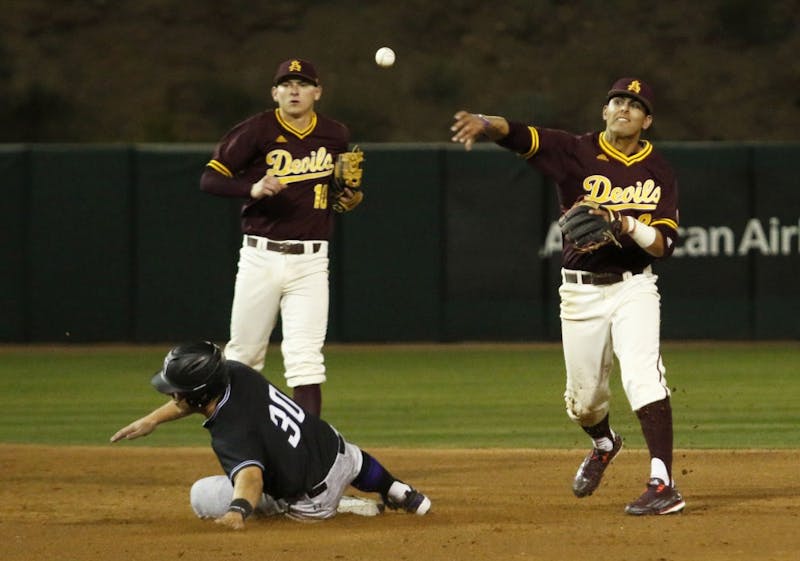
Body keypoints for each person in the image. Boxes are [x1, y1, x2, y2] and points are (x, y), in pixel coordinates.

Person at [450, 78, 684, 516]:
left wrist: (625, 223)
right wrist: (484, 122)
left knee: (643, 375)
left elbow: (664, 246)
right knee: (584, 403)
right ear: (604, 111)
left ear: (647, 121)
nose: (624, 109)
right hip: (580, 292)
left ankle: (662, 482)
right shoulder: (574, 150)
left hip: (634, 284)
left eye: (635, 106)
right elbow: (519, 134)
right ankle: (604, 443)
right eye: (617, 101)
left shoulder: (659, 171)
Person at [110, 341, 431, 530]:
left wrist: (238, 512)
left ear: (196, 395)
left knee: (202, 495)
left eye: (176, 392)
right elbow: (196, 401)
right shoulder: (236, 372)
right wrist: (152, 420)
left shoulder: (230, 432)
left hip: (311, 500)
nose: (173, 397)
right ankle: (399, 491)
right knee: (354, 458)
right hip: (338, 451)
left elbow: (250, 479)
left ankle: (347, 506)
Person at [199, 58, 364, 416]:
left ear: (317, 92)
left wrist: (348, 196)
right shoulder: (255, 131)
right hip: (262, 256)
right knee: (243, 356)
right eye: (286, 84)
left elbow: (337, 191)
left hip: (311, 260)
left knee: (306, 360)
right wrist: (252, 186)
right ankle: (239, 444)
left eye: (303, 84)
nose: (294, 90)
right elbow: (210, 179)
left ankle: (308, 457)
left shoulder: (335, 134)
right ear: (274, 93)